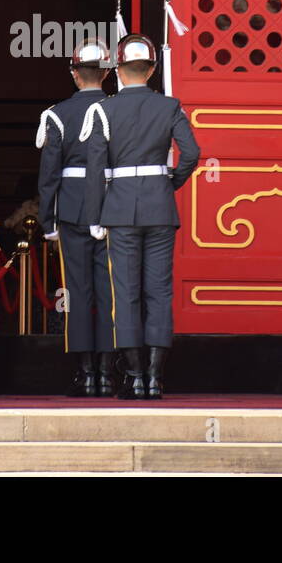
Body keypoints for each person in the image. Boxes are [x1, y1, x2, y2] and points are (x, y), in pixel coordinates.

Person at [82, 33, 200, 399]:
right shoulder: (170, 106)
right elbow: (192, 153)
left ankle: (134, 378)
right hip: (160, 206)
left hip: (119, 209)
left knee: (126, 293)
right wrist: (169, 183)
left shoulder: (104, 110)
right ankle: (155, 378)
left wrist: (94, 216)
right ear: (152, 68)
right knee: (159, 292)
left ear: (118, 70)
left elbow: (95, 168)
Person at [36, 38, 116, 396]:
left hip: (70, 208)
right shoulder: (117, 110)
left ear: (74, 74)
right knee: (110, 290)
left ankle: (86, 373)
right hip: (111, 207)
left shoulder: (57, 114)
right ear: (106, 74)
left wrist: (47, 219)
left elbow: (49, 173)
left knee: (79, 289)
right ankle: (107, 371)